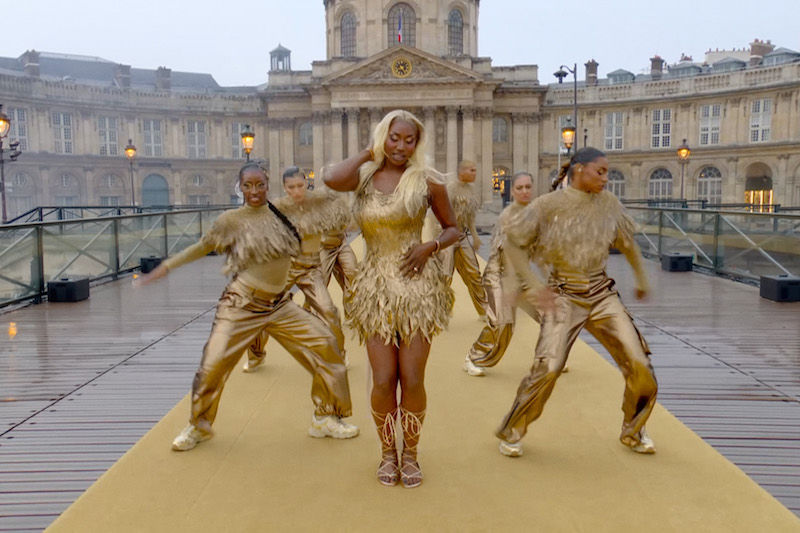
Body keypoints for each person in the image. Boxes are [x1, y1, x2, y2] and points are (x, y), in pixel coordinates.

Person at [137, 161, 358, 451]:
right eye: (247, 185)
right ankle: (198, 425)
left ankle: (325, 417)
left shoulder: (283, 212)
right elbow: (202, 247)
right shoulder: (232, 220)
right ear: (240, 187)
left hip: (279, 305)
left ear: (268, 185)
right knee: (212, 365)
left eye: (259, 185)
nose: (254, 191)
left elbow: (325, 217)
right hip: (242, 303)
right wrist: (166, 266)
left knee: (327, 345)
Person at [323, 109, 460, 488]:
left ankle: (411, 454)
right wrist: (371, 152)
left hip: (417, 288)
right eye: (394, 137)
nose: (400, 146)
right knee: (383, 379)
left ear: (418, 144)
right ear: (384, 136)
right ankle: (387, 453)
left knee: (411, 376)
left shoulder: (427, 181)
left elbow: (454, 230)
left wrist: (430, 246)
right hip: (375, 289)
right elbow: (331, 178)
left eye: (409, 140)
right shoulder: (365, 177)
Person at [495, 147, 658, 458]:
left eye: (607, 172)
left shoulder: (609, 204)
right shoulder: (547, 206)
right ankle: (513, 428)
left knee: (640, 364)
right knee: (550, 367)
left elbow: (627, 243)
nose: (606, 178)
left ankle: (633, 430)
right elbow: (514, 245)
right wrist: (533, 284)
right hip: (563, 295)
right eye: (601, 171)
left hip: (601, 294)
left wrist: (642, 280)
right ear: (580, 170)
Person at [242, 166, 351, 372]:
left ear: (306, 184)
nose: (296, 191)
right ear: (285, 188)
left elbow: (341, 223)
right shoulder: (275, 207)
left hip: (311, 269)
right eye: (291, 187)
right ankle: (256, 355)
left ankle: (340, 354)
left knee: (329, 311)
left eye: (300, 186)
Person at [463, 171, 537, 376]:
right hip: (499, 276)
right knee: (502, 323)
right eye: (519, 188)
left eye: (528, 187)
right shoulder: (509, 217)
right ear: (512, 191)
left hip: (520, 276)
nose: (524, 191)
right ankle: (473, 357)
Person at [439, 160, 488, 320]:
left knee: (474, 273)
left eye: (475, 170)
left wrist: (475, 236)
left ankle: (483, 311)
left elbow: (471, 217)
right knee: (445, 275)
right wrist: (440, 239)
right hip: (447, 236)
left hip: (463, 235)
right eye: (471, 170)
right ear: (462, 172)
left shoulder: (472, 190)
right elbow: (439, 212)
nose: (475, 173)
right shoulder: (451, 188)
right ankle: (442, 311)